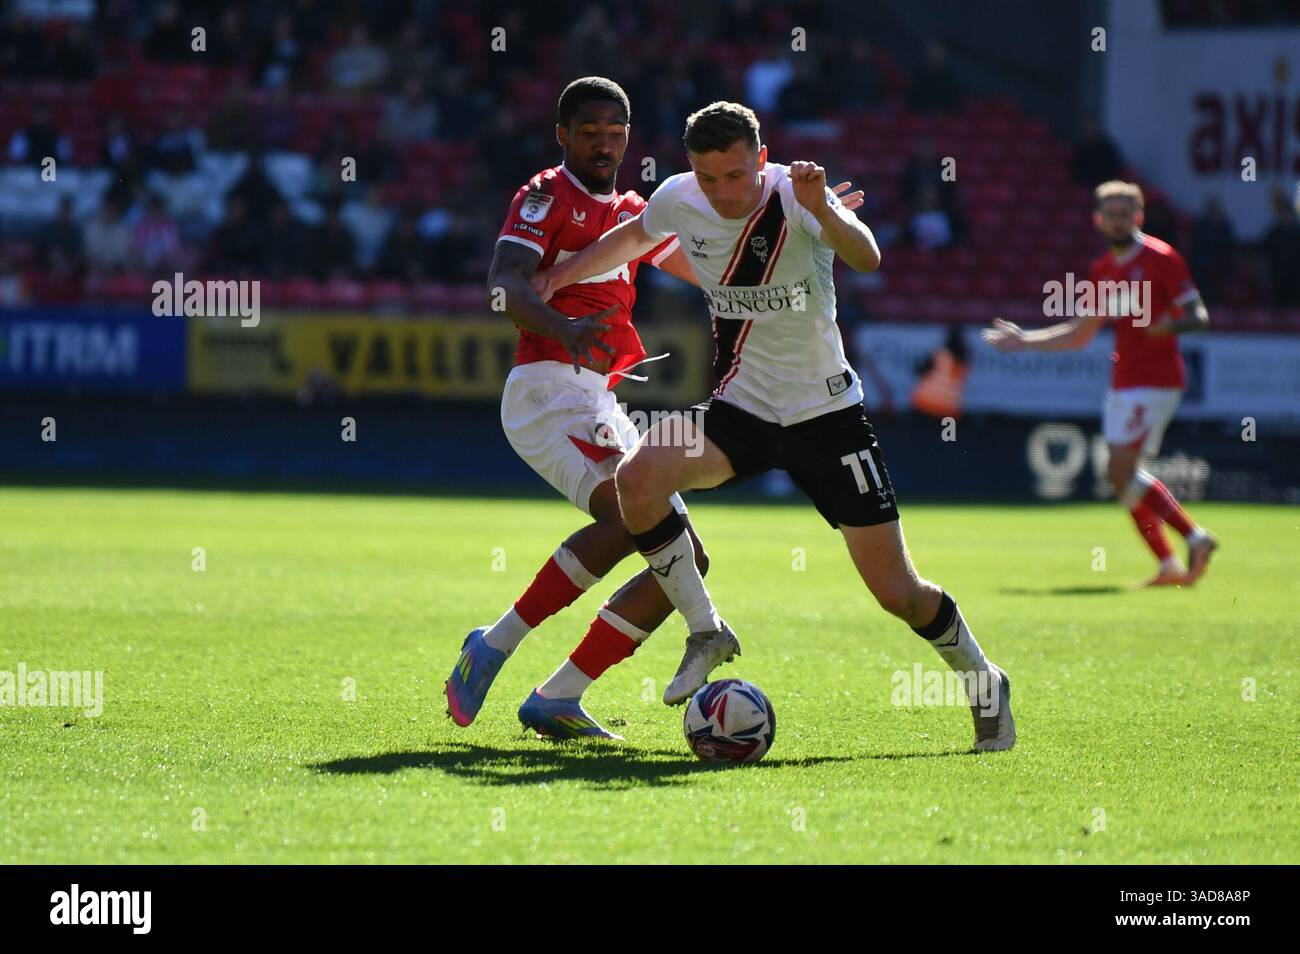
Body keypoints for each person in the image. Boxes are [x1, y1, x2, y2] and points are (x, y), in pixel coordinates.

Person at [533, 101, 1014, 752]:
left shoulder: (795, 190)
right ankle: (706, 630)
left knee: (898, 592)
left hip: (828, 417)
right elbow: (634, 239)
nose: (723, 192)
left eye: (736, 175)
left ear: (761, 160)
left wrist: (825, 210)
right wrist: (559, 275)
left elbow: (867, 256)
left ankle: (985, 683)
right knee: (640, 475)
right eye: (709, 177)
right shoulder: (680, 198)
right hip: (745, 409)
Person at [982, 181, 1217, 586]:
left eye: (1126, 213)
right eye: (1111, 213)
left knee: (1120, 470)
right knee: (1121, 476)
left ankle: (1194, 537)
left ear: (1139, 217)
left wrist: (1169, 325)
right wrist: (1026, 340)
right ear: (1098, 220)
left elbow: (1198, 315)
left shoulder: (1162, 258)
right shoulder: (1103, 270)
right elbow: (1080, 334)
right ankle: (1168, 564)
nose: (1118, 219)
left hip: (1157, 380)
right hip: (1124, 380)